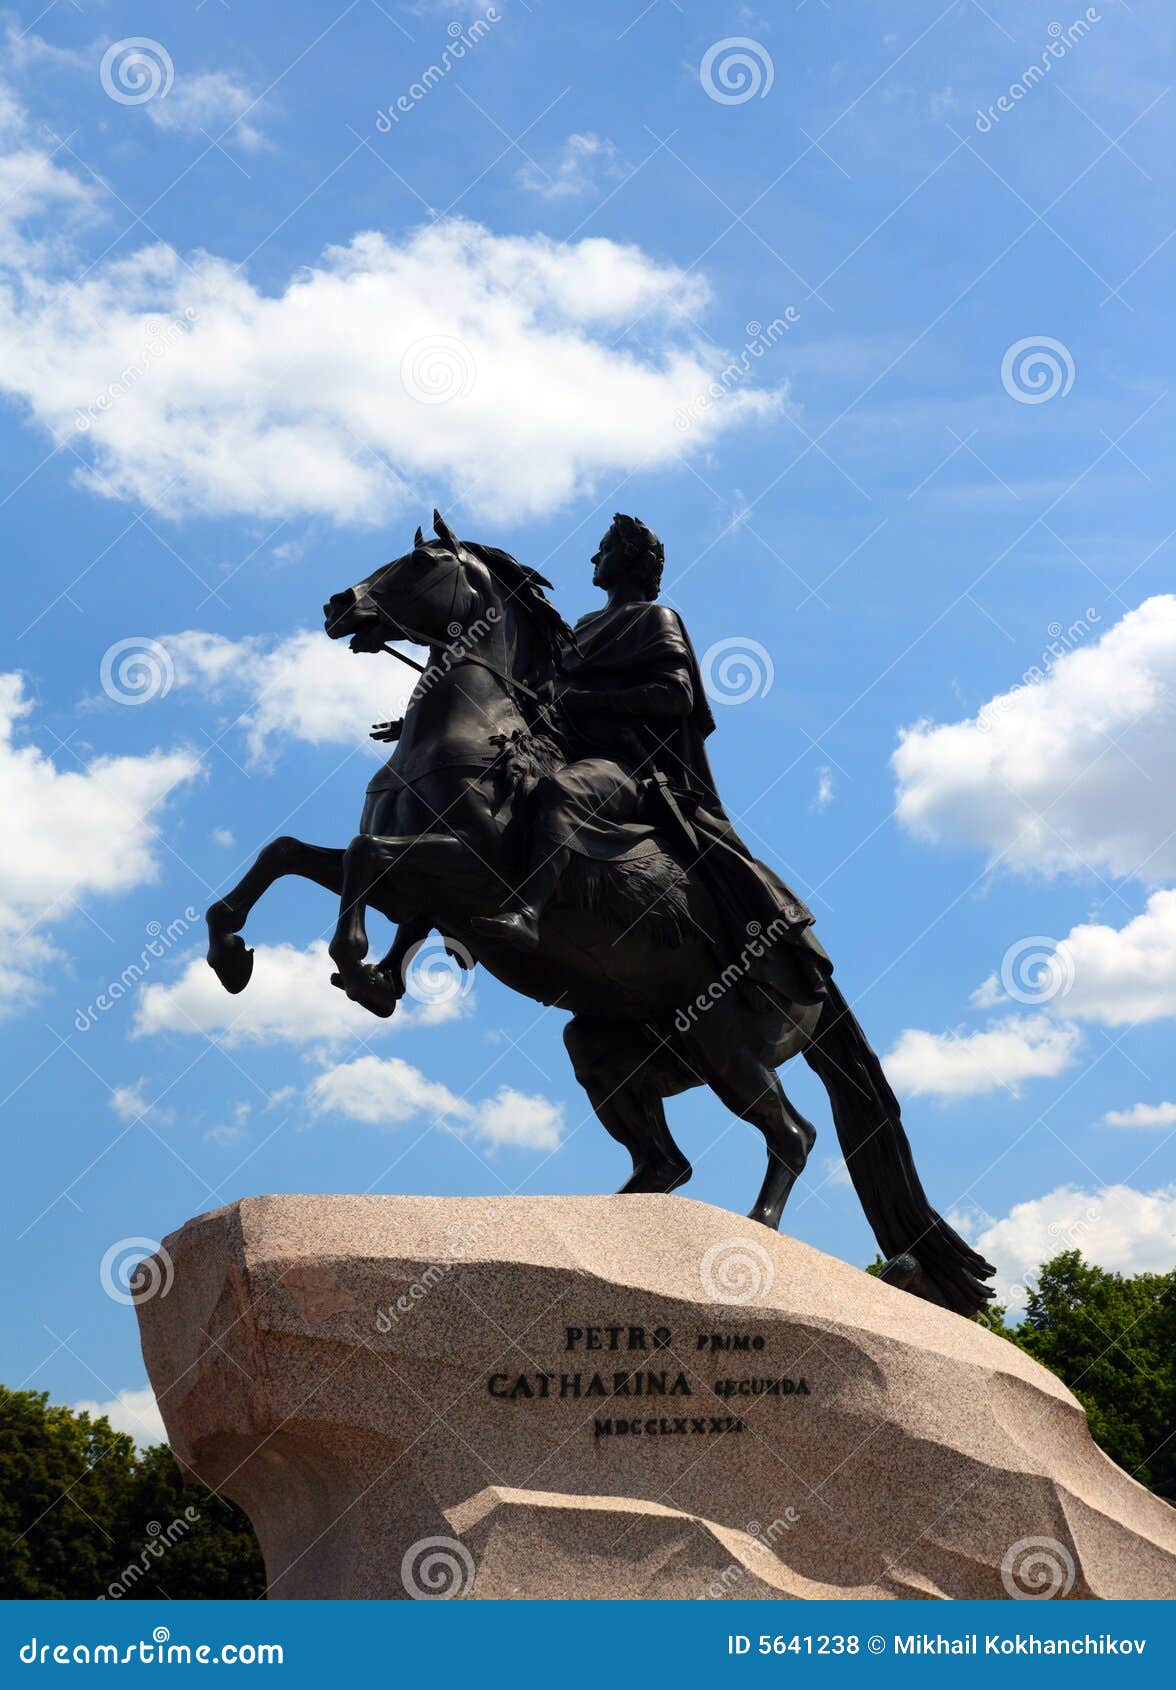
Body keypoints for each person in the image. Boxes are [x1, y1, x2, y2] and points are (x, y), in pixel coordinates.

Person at [471, 515, 828, 1008]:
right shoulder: (582, 627)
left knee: (562, 793)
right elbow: (540, 697)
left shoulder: (655, 619)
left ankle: (529, 913)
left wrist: (587, 701)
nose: (594, 558)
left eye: (604, 549)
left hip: (628, 769)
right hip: (567, 752)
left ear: (632, 559)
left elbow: (676, 694)